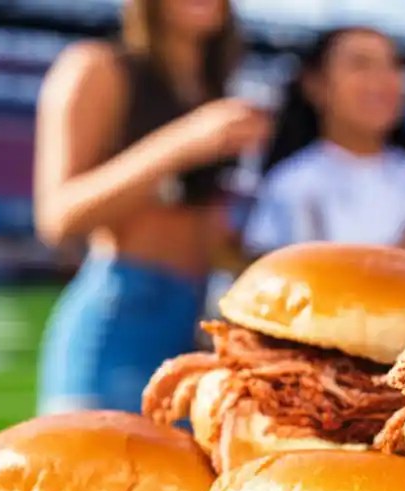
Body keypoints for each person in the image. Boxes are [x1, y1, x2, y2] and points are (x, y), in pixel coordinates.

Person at [33, 0, 269, 414]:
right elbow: (57, 216)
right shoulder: (96, 66)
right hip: (121, 315)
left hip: (197, 323)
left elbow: (208, 231)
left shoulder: (214, 84)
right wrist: (184, 142)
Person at [246, 27, 405, 258]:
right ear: (316, 85)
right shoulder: (290, 184)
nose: (380, 80)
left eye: (392, 65)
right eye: (360, 65)